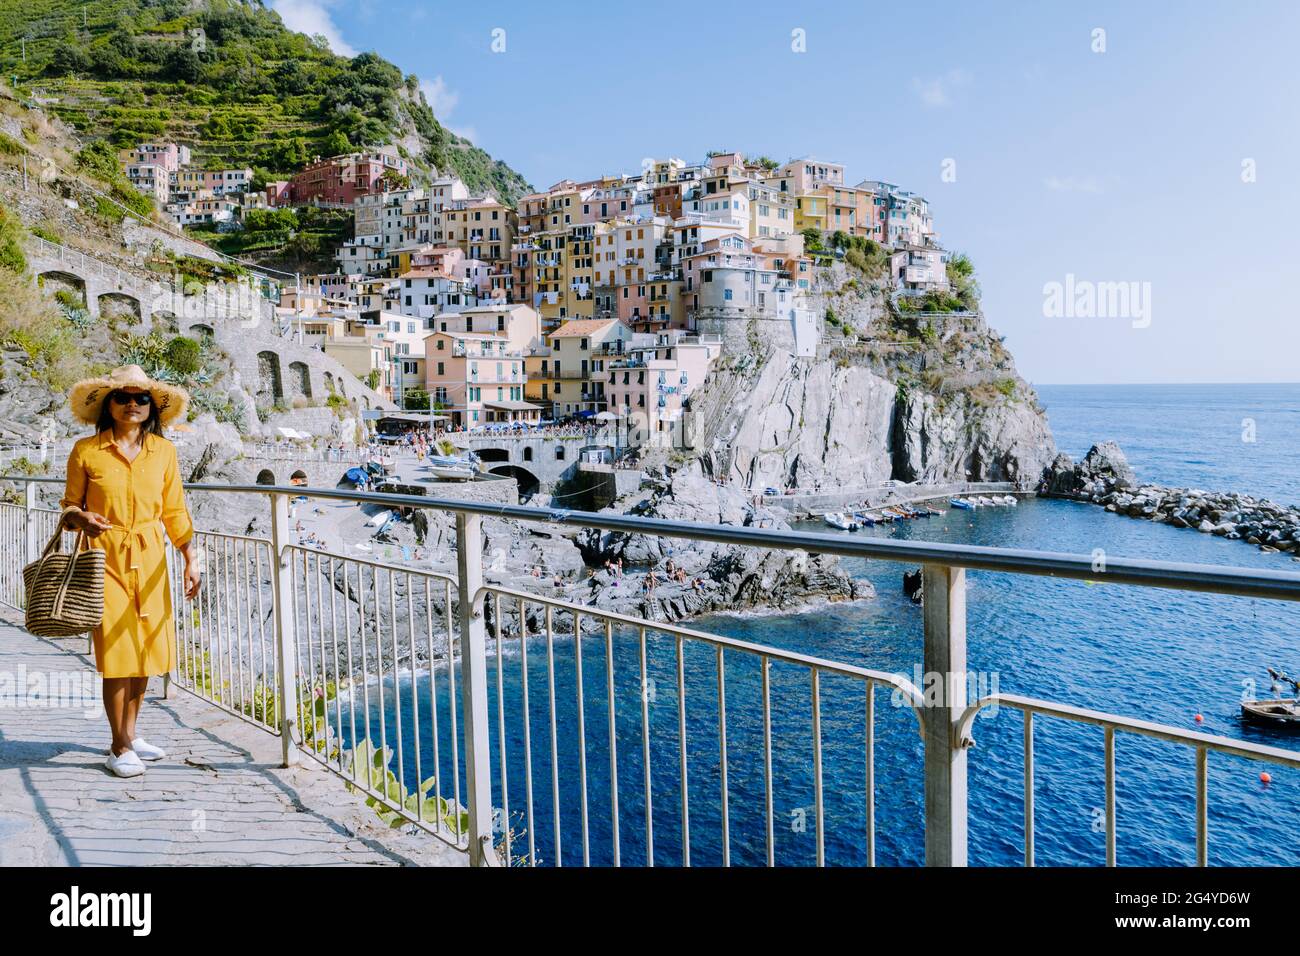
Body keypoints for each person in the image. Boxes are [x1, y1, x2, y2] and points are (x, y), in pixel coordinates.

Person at [61, 365, 202, 779]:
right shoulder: (86, 450)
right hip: (103, 557)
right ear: (109, 404)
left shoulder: (164, 452)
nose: (132, 404)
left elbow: (174, 511)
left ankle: (132, 733)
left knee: (145, 650)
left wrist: (191, 556)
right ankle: (118, 745)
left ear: (151, 407)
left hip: (151, 556)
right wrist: (82, 519)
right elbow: (67, 508)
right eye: (123, 397)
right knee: (119, 652)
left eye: (141, 398)